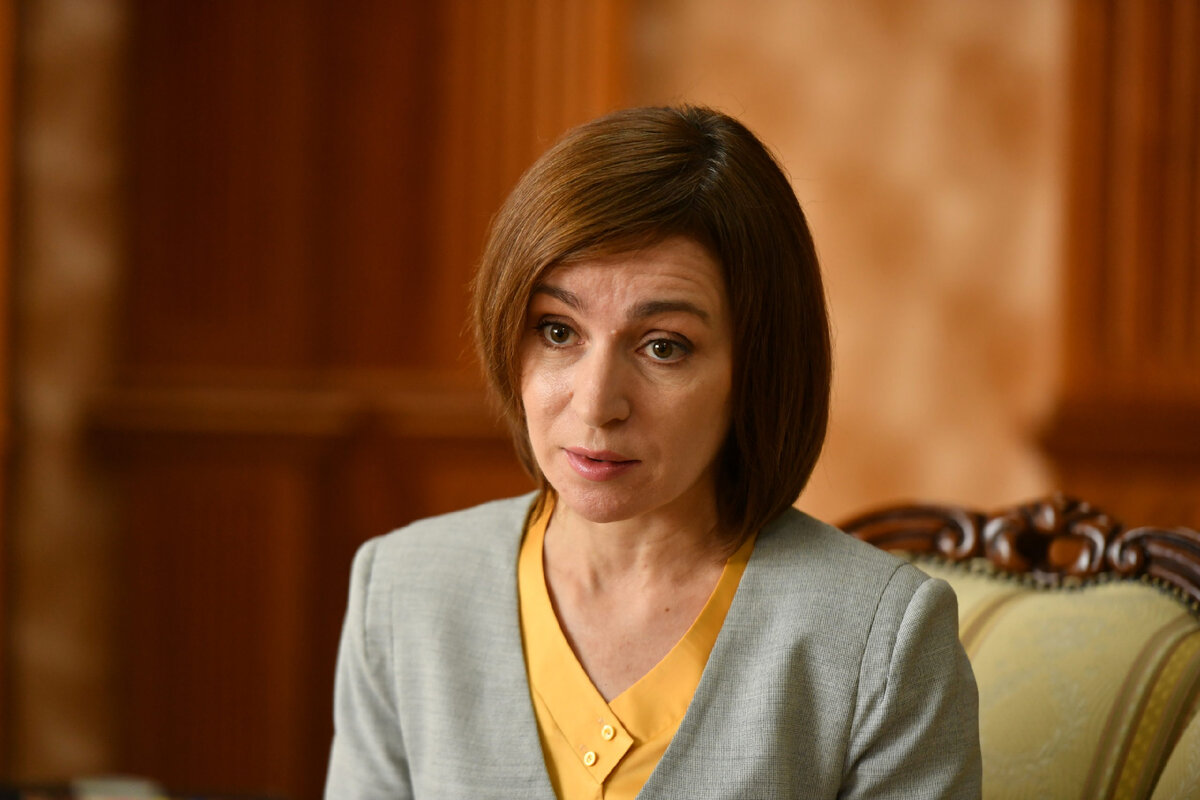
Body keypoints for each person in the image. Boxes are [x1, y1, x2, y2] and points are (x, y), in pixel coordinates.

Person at [325, 105, 981, 799]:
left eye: (663, 346)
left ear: (756, 369)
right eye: (557, 331)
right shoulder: (401, 591)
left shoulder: (881, 640)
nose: (596, 403)